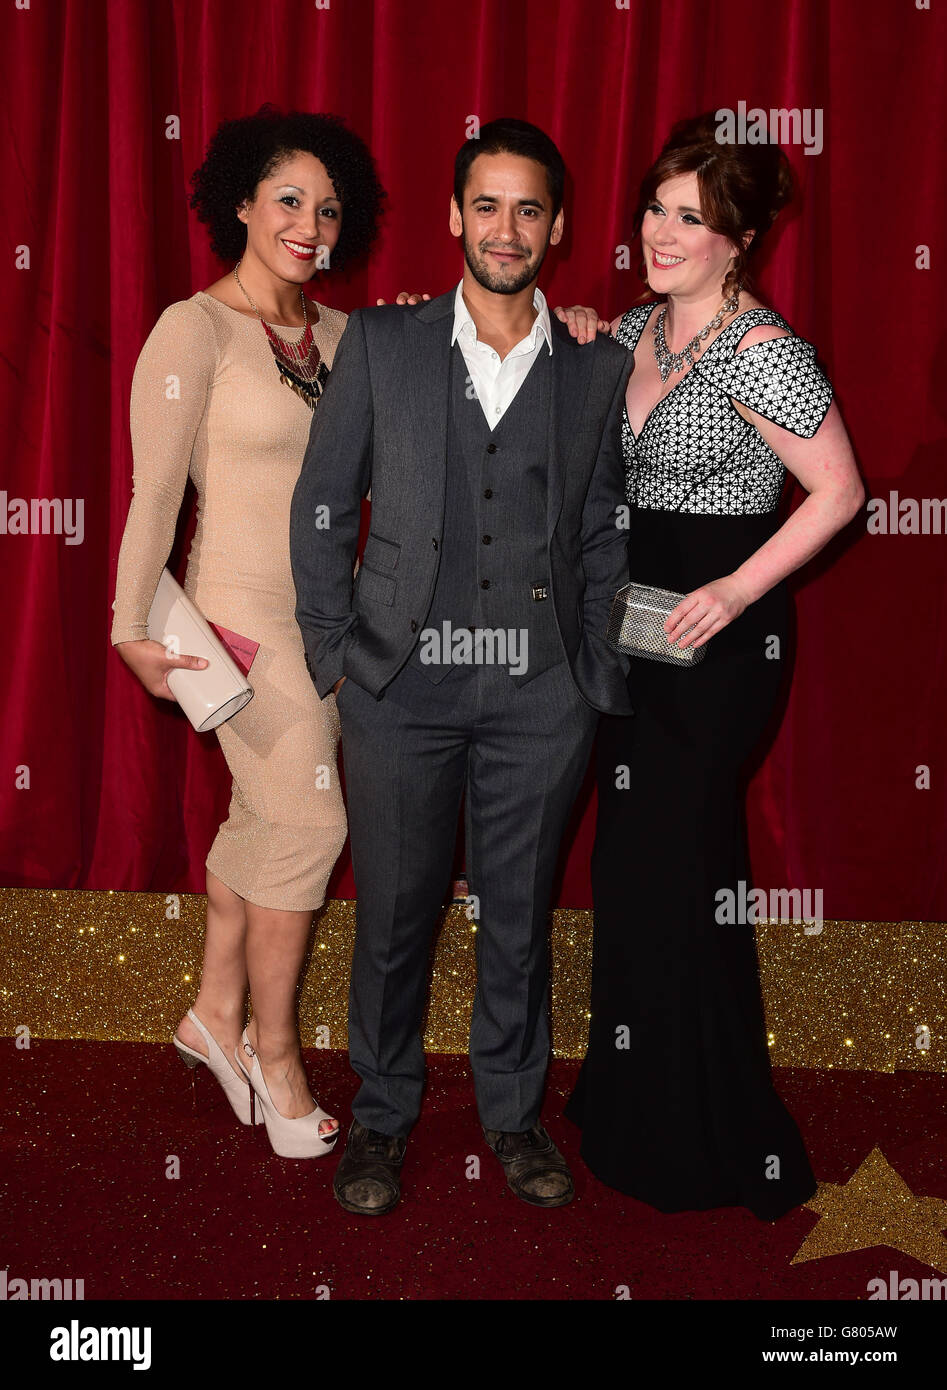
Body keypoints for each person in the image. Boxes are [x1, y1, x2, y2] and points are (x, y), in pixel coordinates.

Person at [290, 117, 634, 1215]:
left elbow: (599, 535)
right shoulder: (382, 348)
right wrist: (335, 654)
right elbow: (322, 507)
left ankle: (511, 1115)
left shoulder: (595, 366)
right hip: (400, 685)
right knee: (393, 914)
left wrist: (592, 679)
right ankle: (381, 1118)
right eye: (484, 205)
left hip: (541, 695)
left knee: (519, 915)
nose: (504, 227)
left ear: (557, 227)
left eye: (527, 208)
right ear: (453, 217)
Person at [556, 113, 864, 1219]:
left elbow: (840, 491)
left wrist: (736, 590)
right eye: (654, 207)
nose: (662, 230)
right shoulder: (636, 326)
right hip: (633, 630)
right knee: (635, 868)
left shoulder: (761, 351)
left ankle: (702, 1129)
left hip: (718, 641)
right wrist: (586, 323)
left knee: (679, 864)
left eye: (691, 217)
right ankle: (632, 1093)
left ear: (738, 239)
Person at [110, 106, 390, 1159]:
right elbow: (151, 493)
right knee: (313, 823)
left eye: (326, 208)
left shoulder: (346, 336)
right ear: (238, 201)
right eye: (287, 200)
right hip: (235, 629)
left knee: (261, 822)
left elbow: (456, 371)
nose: (308, 224)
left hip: (333, 624)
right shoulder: (194, 329)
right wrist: (129, 622)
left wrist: (571, 321)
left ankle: (210, 1014)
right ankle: (276, 1055)